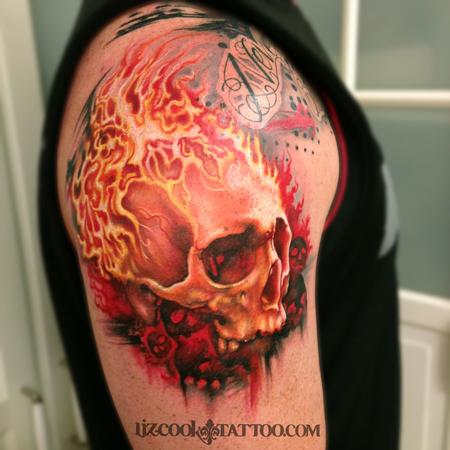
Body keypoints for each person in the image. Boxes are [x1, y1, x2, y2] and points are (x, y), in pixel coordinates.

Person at [39, 1, 400, 449]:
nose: (274, 300)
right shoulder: (201, 94)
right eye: (227, 258)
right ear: (144, 293)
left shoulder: (254, 30)